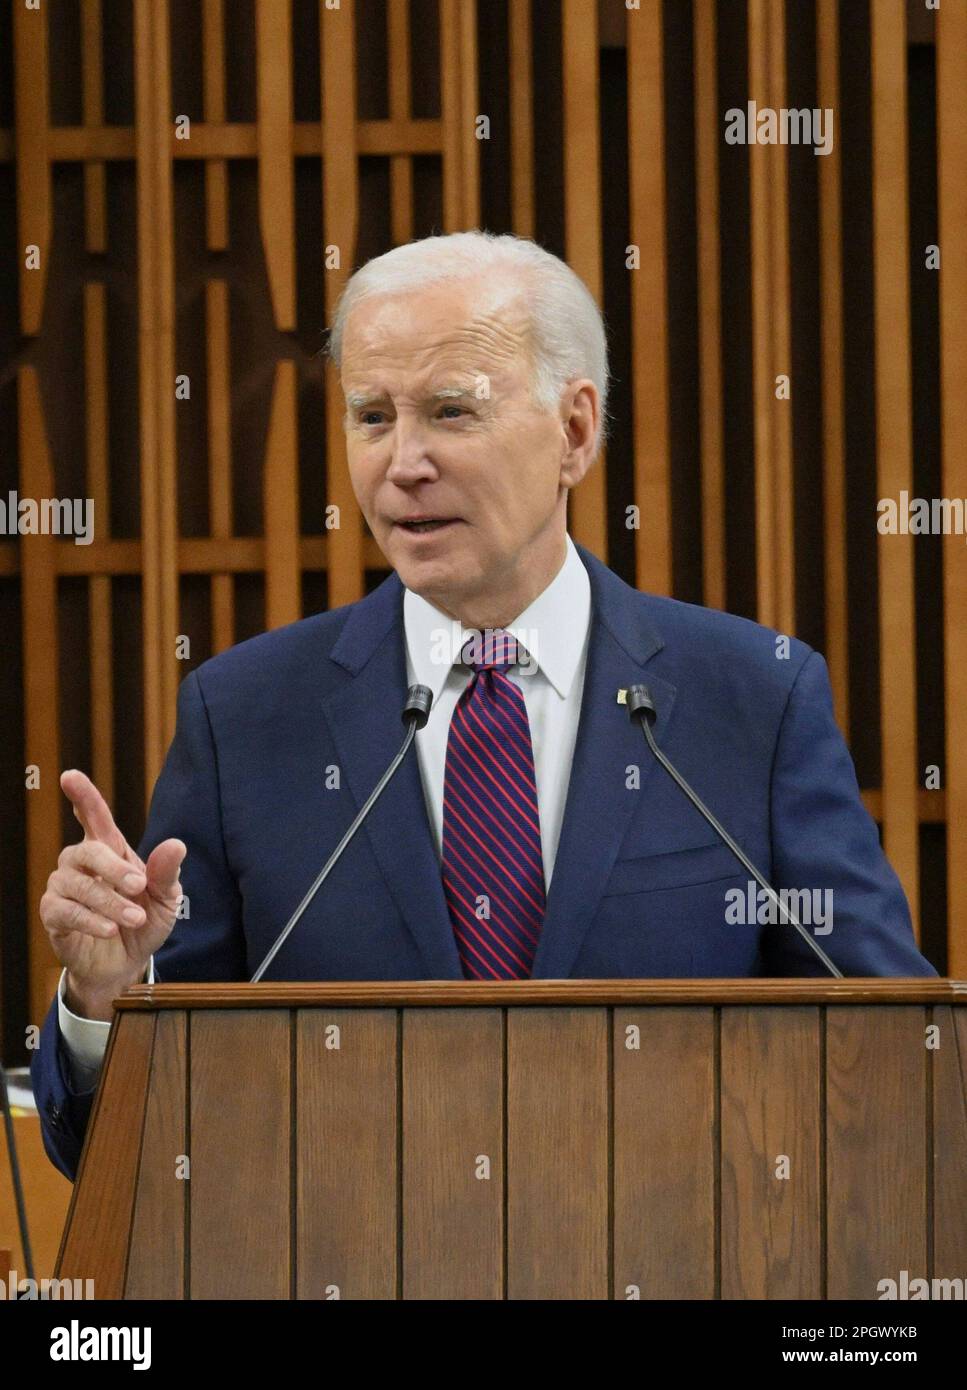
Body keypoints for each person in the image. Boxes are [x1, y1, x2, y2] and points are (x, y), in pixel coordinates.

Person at [31, 231, 935, 1181]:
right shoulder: (247, 716)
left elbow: (887, 1052)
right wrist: (105, 995)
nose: (403, 462)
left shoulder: (752, 698)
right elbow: (121, 1156)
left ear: (575, 431)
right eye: (371, 417)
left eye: (451, 413)